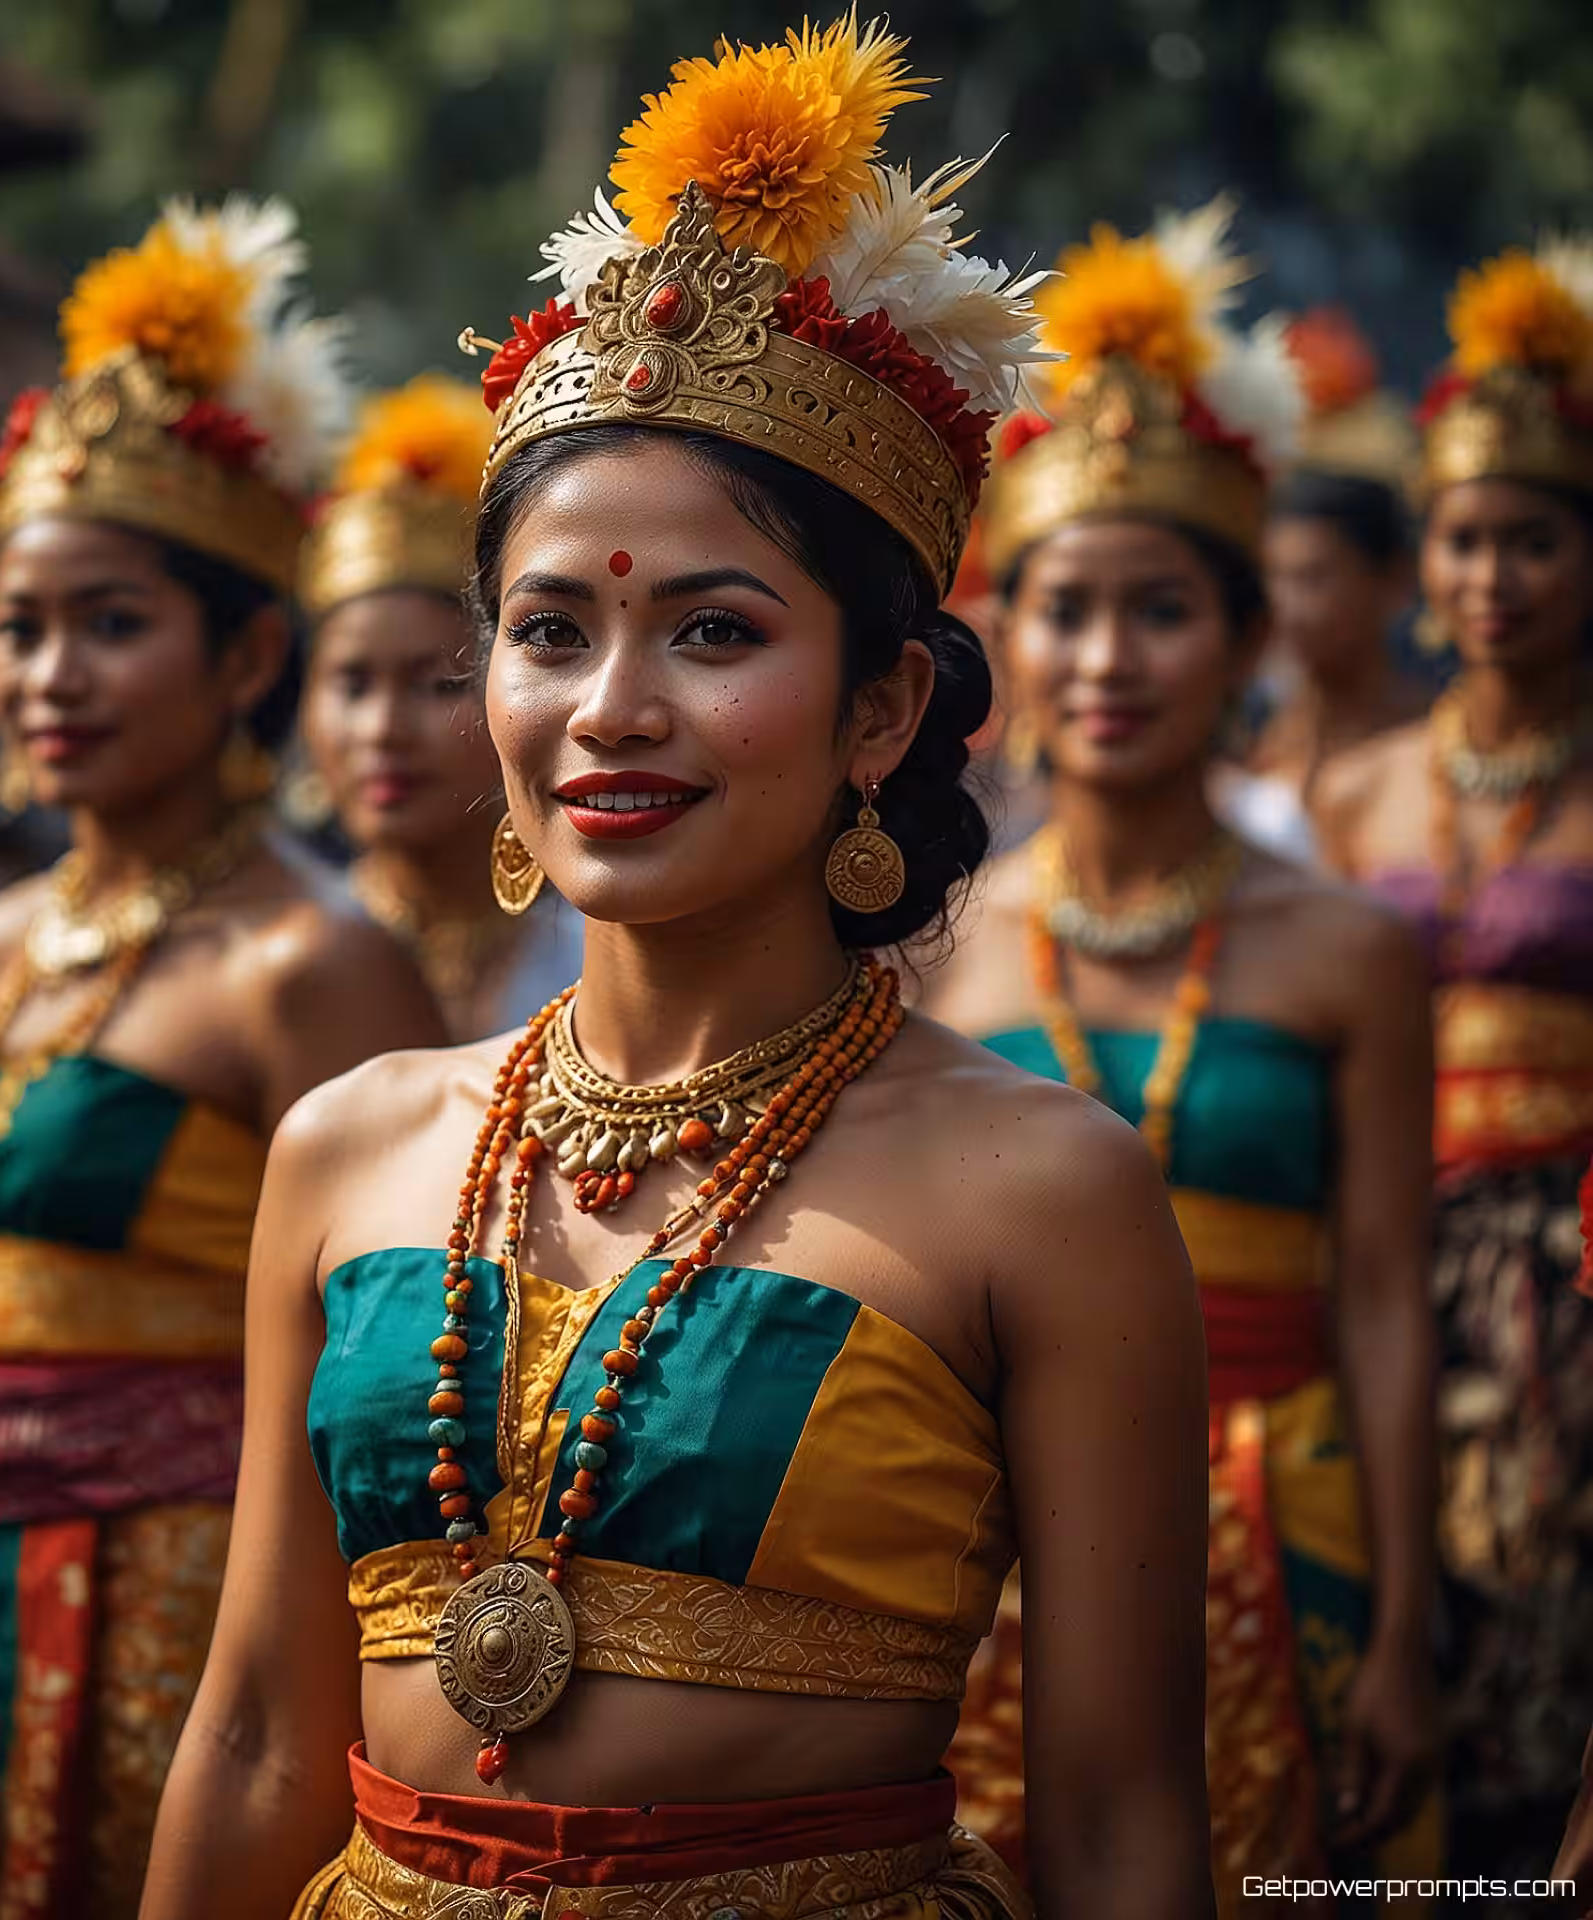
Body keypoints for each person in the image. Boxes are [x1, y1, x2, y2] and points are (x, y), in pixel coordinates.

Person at [145, 21, 1215, 1920]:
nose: (612, 712)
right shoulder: (348, 1147)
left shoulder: (1046, 1193)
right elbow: (244, 1738)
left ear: (885, 704)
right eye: (548, 633)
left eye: (714, 633)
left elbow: (1125, 1819)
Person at [0, 199, 445, 1920]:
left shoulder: (315, 964)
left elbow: (406, 1377)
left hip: (190, 1606)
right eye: (19, 626)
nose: (48, 675)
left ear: (247, 659)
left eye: (110, 624)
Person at [925, 204, 1443, 1915]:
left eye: (1160, 611)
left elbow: (1379, 1294)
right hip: (998, 1547)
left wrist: (1402, 1636)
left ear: (1240, 640)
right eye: (1065, 610)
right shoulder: (946, 941)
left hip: (1290, 1528)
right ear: (1012, 645)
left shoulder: (1345, 948)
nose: (1106, 658)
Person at [1316, 236, 1593, 1889]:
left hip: (1565, 1275)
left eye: (1535, 541)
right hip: (1379, 1242)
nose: (1492, 576)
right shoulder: (1359, 792)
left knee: (1540, 1645)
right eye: (1467, 540)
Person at [302, 374, 583, 1039]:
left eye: (438, 684)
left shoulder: (597, 956)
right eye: (352, 684)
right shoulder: (280, 950)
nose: (384, 730)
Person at [1253, 309, 1423, 819]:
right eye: (1273, 578)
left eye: (1313, 578)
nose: (1285, 606)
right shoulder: (1248, 751)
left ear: (1394, 581)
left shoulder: (1431, 747)